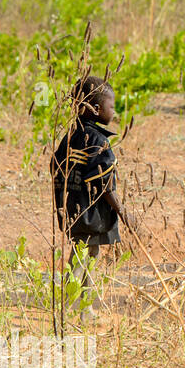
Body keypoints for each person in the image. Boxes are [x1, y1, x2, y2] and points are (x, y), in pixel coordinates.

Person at [51, 76, 133, 295]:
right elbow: (106, 185)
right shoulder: (98, 141)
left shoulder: (70, 136)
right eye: (112, 106)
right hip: (90, 212)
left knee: (89, 254)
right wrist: (123, 212)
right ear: (96, 108)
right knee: (81, 258)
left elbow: (56, 169)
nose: (114, 112)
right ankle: (67, 304)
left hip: (71, 209)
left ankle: (84, 308)